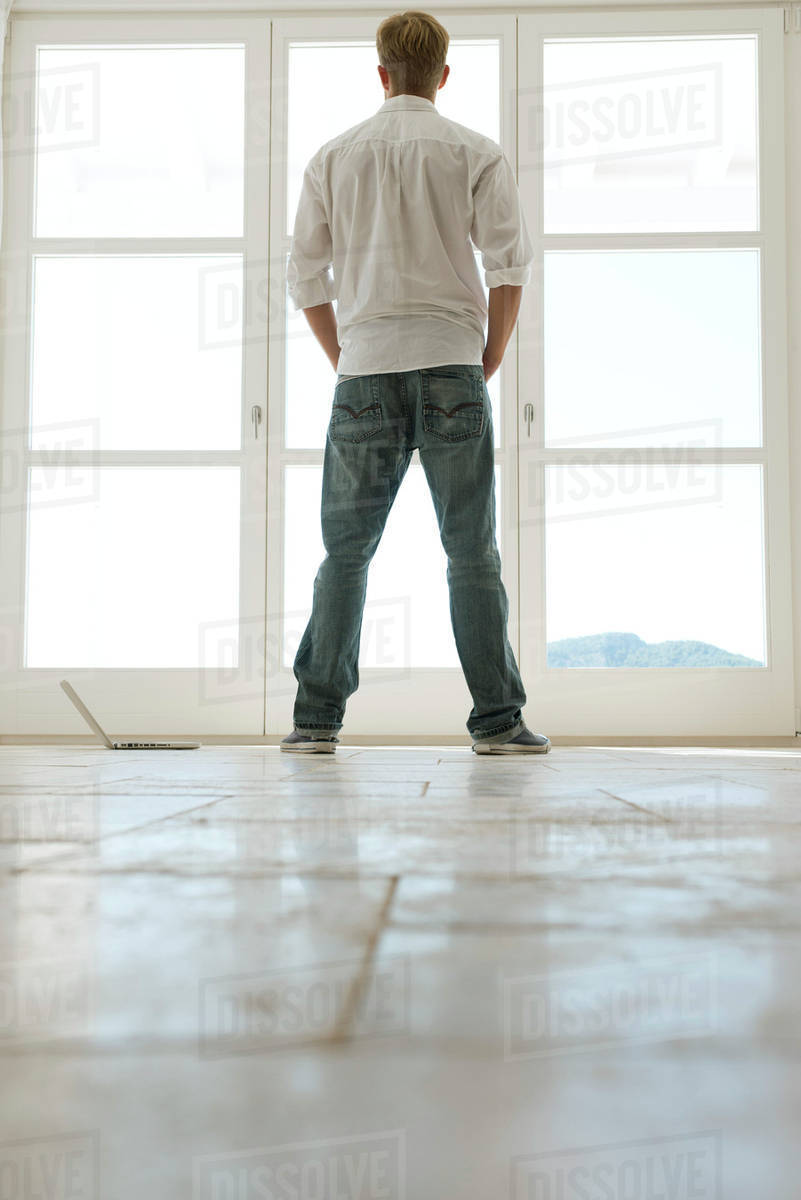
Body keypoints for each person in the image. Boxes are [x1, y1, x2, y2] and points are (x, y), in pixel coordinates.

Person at [281, 9, 550, 756]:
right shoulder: (474, 152)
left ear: (380, 73)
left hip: (365, 366)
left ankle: (314, 723)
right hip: (452, 366)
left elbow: (304, 274)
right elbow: (508, 263)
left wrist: (346, 353)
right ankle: (497, 723)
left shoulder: (333, 157)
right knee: (471, 553)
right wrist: (490, 349)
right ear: (442, 75)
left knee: (346, 553)